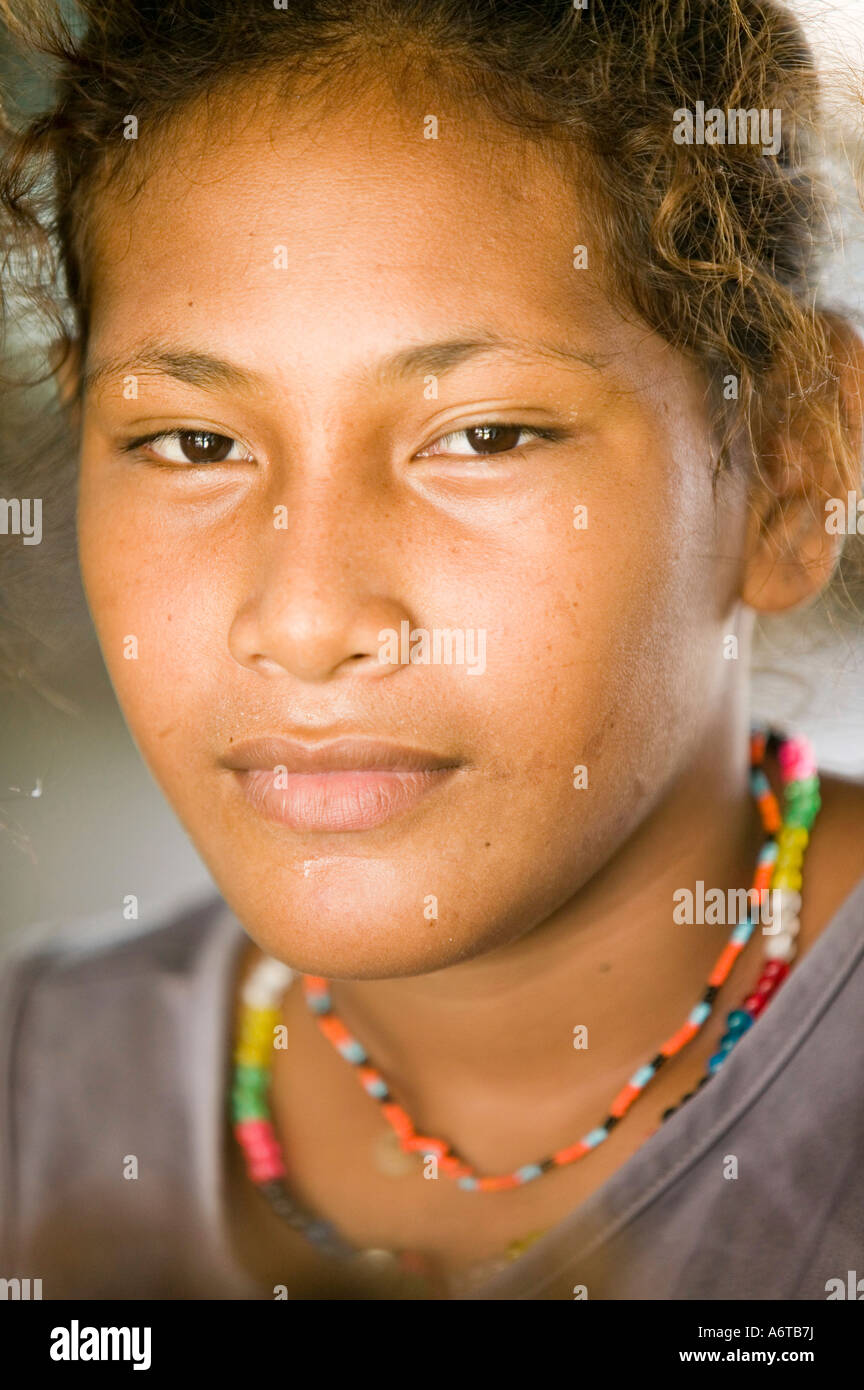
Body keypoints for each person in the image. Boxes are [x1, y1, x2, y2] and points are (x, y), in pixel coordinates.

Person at [0, 0, 863, 1301]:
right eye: (192, 442)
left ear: (792, 473)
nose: (302, 618)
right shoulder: (30, 1083)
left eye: (487, 436)